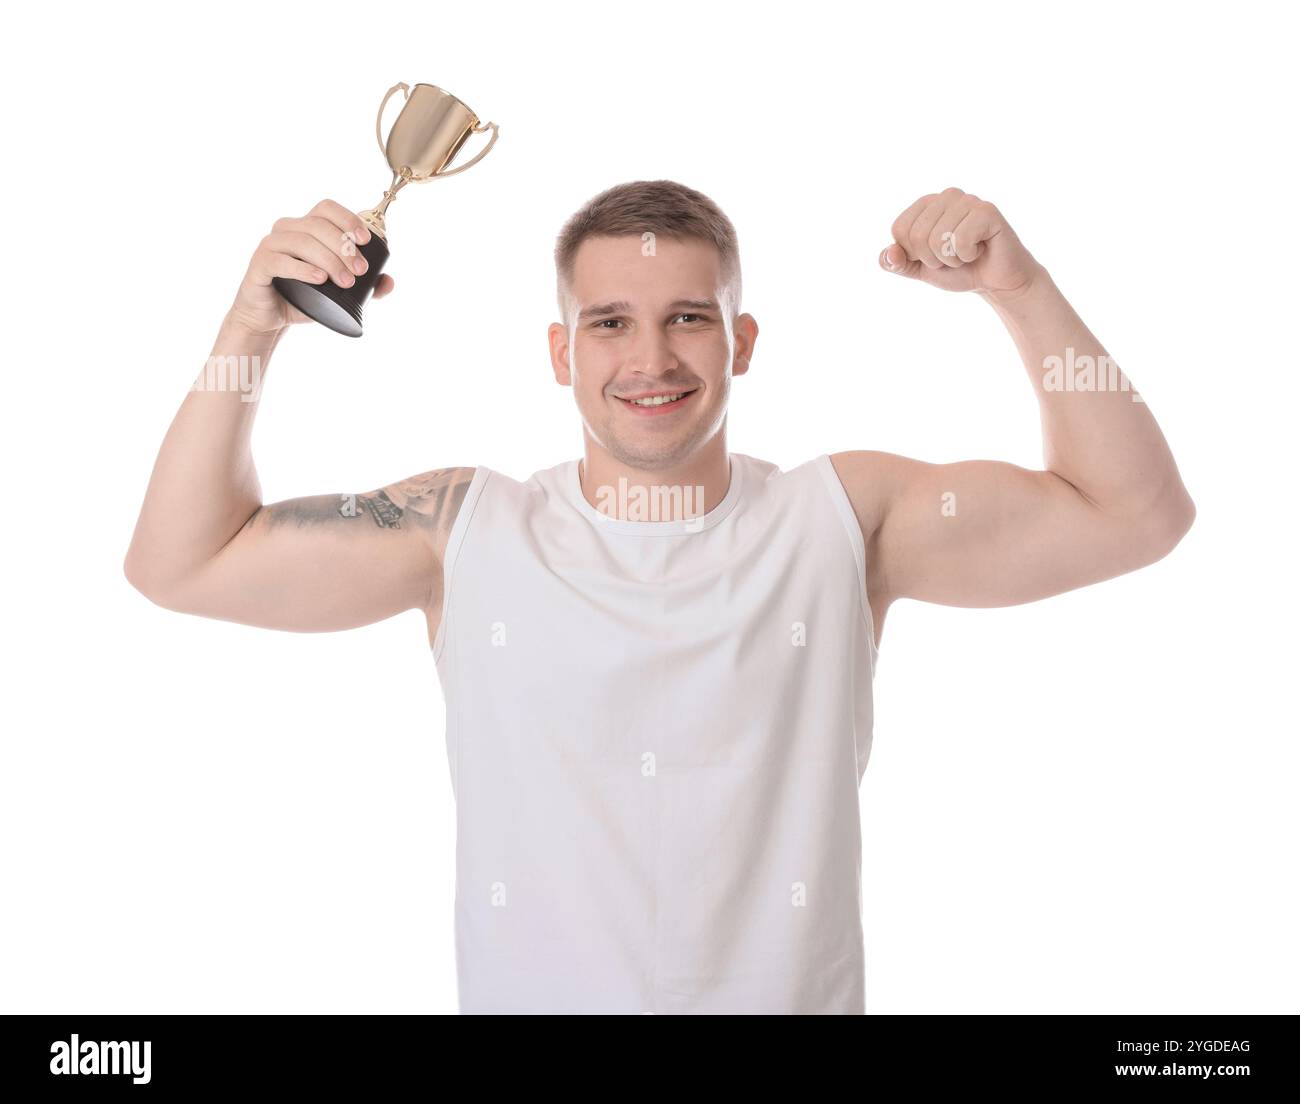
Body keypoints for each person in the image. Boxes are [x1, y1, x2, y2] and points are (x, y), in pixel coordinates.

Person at [124, 180, 1195, 1014]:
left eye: (689, 317)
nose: (649, 358)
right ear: (560, 352)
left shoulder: (842, 518)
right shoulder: (462, 529)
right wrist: (250, 331)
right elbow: (183, 561)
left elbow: (1134, 513)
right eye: (607, 324)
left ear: (741, 343)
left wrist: (1020, 289)